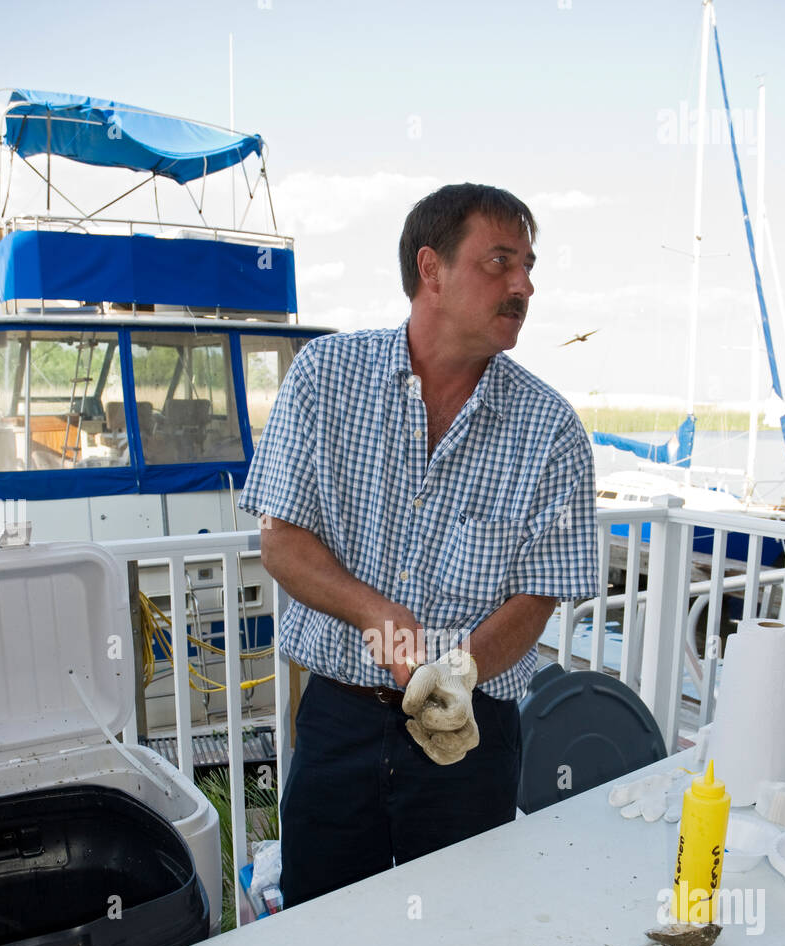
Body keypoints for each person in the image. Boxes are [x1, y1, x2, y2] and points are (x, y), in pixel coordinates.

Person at [239, 182, 598, 908]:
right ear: (430, 269)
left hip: (472, 734)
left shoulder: (552, 430)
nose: (523, 284)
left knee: (462, 931)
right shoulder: (324, 378)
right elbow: (280, 541)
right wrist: (378, 616)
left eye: (529, 266)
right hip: (339, 718)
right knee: (322, 923)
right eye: (499, 262)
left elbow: (537, 596)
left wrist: (459, 672)